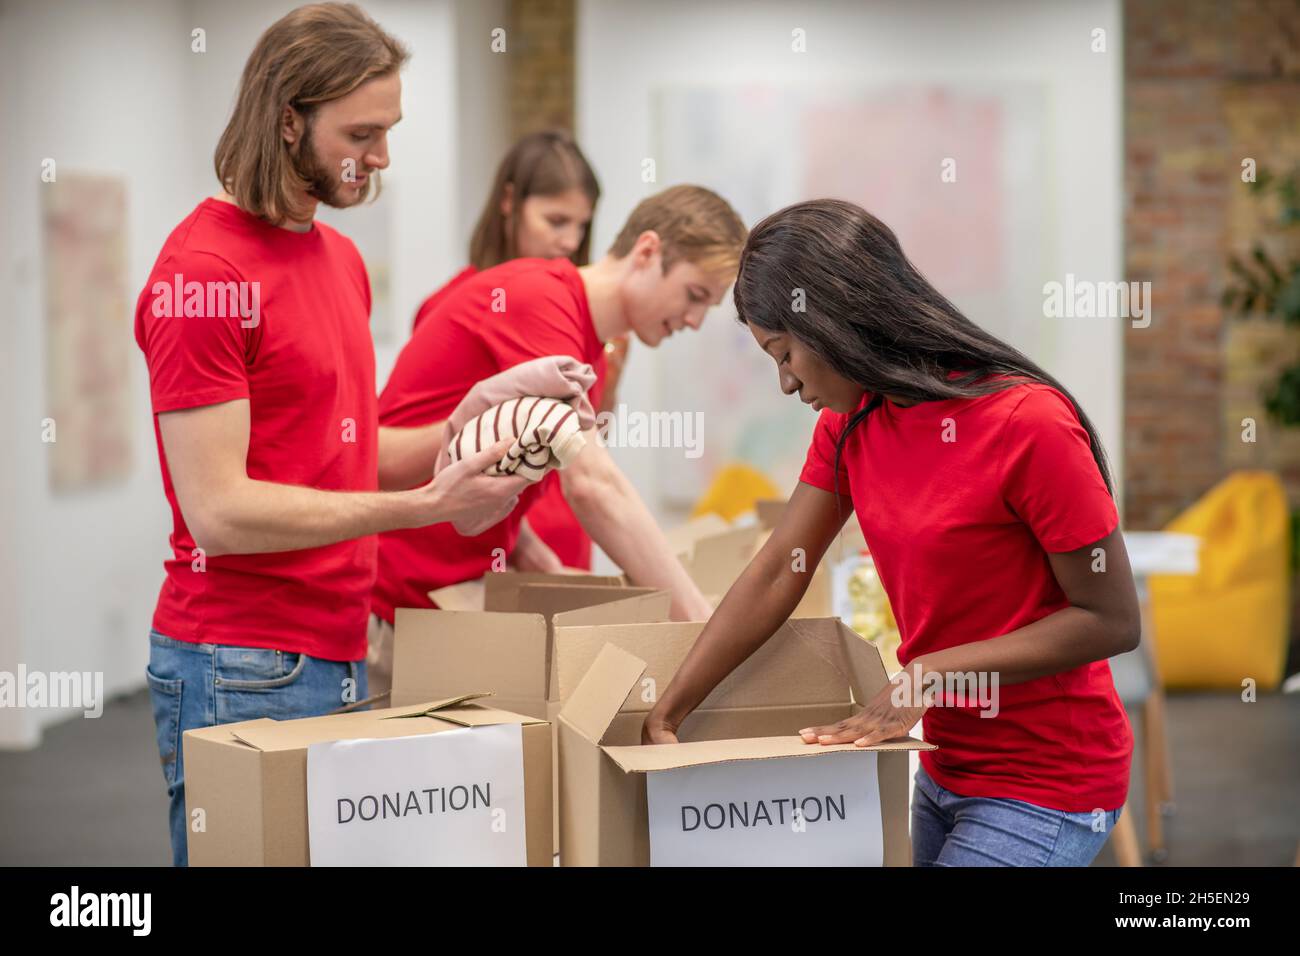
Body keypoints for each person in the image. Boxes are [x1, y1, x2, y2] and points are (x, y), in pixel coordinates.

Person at [133, 2, 523, 866]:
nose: (381, 157)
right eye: (362, 132)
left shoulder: (336, 257)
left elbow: (340, 454)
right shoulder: (203, 274)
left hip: (340, 645)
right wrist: (423, 507)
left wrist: (464, 424)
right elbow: (220, 514)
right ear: (286, 119)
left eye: (389, 130)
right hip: (237, 661)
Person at [642, 199, 1140, 867]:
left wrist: (930, 674)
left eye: (786, 353)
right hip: (942, 769)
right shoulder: (852, 424)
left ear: (836, 322)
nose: (785, 382)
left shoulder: (1029, 424)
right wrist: (669, 710)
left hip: (1048, 783)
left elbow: (1110, 619)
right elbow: (778, 569)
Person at [369, 185, 748, 639]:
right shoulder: (542, 301)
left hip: (444, 605)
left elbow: (497, 469)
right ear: (648, 251)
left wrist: (543, 564)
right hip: (392, 605)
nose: (694, 320)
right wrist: (703, 631)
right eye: (694, 294)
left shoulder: (592, 351)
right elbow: (593, 485)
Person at [414, 128, 611, 574]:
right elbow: (433, 445)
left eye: (582, 226)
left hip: (565, 537)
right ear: (509, 202)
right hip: (477, 547)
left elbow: (591, 443)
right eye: (556, 221)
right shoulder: (452, 305)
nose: (569, 241)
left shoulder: (585, 319)